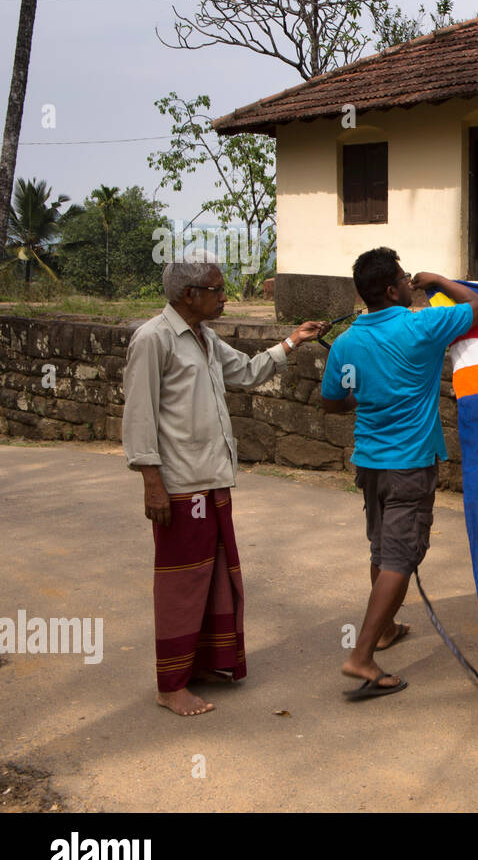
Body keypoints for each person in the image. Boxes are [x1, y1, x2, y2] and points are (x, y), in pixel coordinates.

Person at [122, 260, 326, 717]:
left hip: (212, 478)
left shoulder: (205, 339)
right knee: (182, 584)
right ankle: (170, 684)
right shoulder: (154, 339)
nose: (224, 297)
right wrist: (151, 483)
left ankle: (202, 664)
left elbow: (249, 371)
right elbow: (138, 415)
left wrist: (292, 340)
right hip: (180, 484)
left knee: (215, 576)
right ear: (188, 295)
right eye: (216, 290)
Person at [321, 248, 478, 700]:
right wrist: (439, 280)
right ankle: (361, 656)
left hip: (370, 462)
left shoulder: (346, 344)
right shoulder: (419, 326)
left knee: (382, 547)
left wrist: (364, 397)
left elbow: (333, 402)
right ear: (394, 289)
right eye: (403, 278)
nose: (408, 283)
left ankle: (386, 628)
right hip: (411, 463)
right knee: (401, 557)